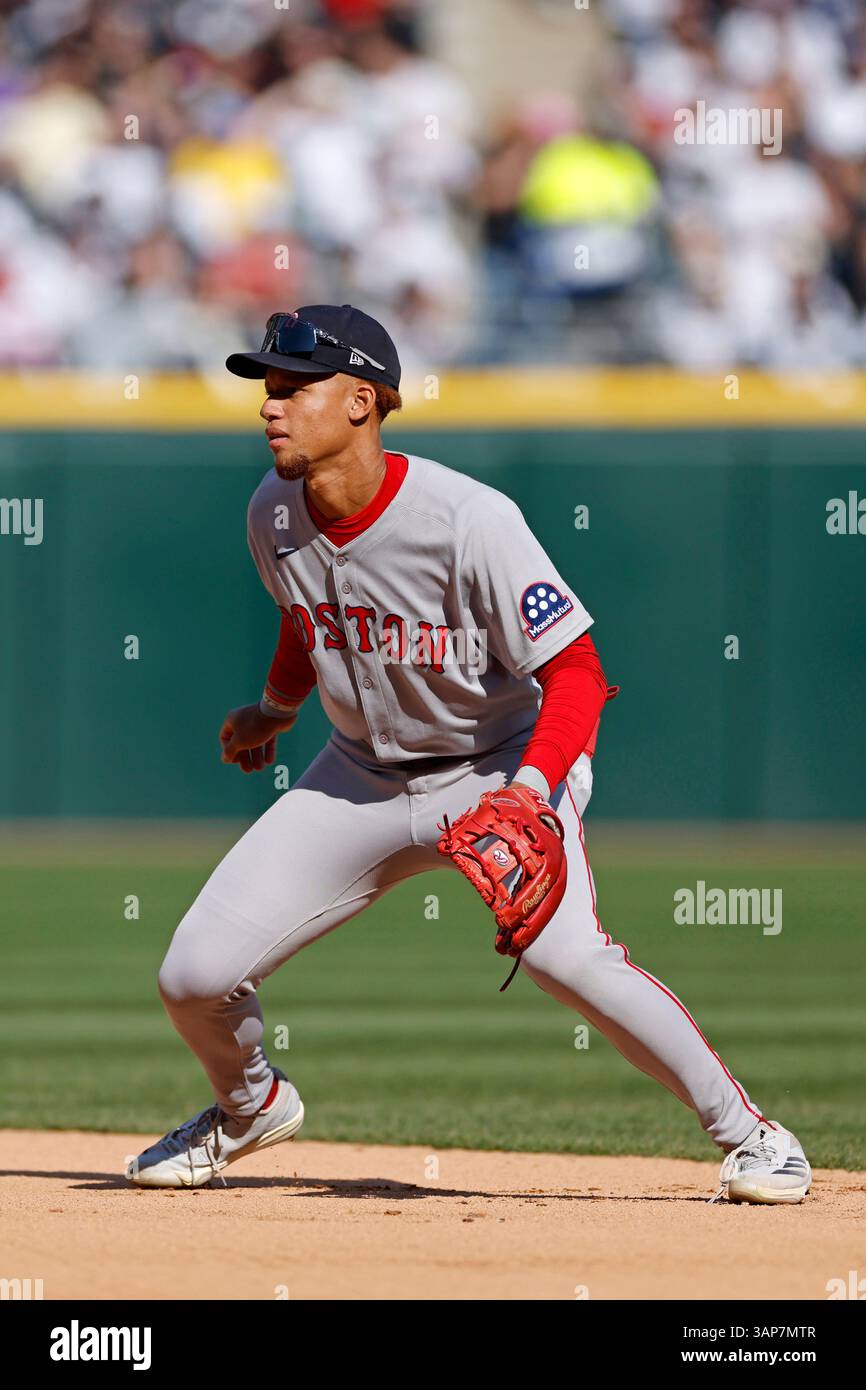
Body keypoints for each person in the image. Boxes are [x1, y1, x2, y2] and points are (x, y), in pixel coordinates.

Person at [126, 304, 811, 1205]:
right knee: (193, 976)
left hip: (499, 764)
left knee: (567, 961)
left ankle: (757, 1138)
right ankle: (251, 1107)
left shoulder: (467, 519)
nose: (271, 405)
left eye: (295, 386)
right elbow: (307, 616)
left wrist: (531, 794)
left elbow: (577, 670)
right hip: (358, 775)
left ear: (364, 401)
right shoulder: (273, 513)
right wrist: (275, 708)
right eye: (267, 388)